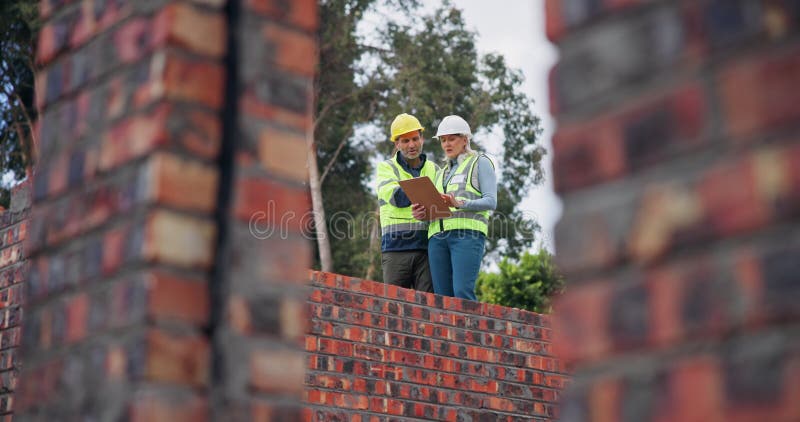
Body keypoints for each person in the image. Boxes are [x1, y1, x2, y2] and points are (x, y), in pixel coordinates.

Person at [412, 115, 497, 300]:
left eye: (451, 139)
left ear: (465, 139)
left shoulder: (480, 162)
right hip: (437, 239)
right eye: (443, 140)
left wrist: (460, 203)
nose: (446, 144)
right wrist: (422, 214)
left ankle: (469, 321)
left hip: (467, 236)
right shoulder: (441, 173)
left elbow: (491, 201)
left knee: (462, 293)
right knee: (441, 299)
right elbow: (437, 208)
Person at [374, 113, 438, 292]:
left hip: (427, 249)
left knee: (426, 305)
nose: (411, 145)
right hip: (396, 249)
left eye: (415, 139)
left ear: (422, 139)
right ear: (397, 144)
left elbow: (443, 204)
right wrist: (427, 193)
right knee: (394, 305)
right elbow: (397, 197)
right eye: (405, 141)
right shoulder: (387, 168)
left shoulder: (435, 169)